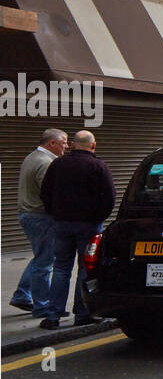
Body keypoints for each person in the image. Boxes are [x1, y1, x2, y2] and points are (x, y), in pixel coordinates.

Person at [39, 129, 115, 329]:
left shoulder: (57, 164)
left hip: (62, 223)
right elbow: (109, 198)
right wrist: (98, 217)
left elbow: (45, 192)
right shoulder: (99, 166)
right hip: (89, 225)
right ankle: (82, 314)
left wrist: (55, 214)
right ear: (93, 145)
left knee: (61, 268)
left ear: (73, 144)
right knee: (85, 268)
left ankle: (53, 316)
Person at [11, 128, 67, 318]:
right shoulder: (46, 163)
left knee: (40, 258)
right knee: (44, 263)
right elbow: (51, 194)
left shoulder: (31, 156)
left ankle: (21, 294)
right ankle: (42, 306)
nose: (66, 146)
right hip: (41, 217)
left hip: (28, 214)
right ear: (52, 143)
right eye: (64, 142)